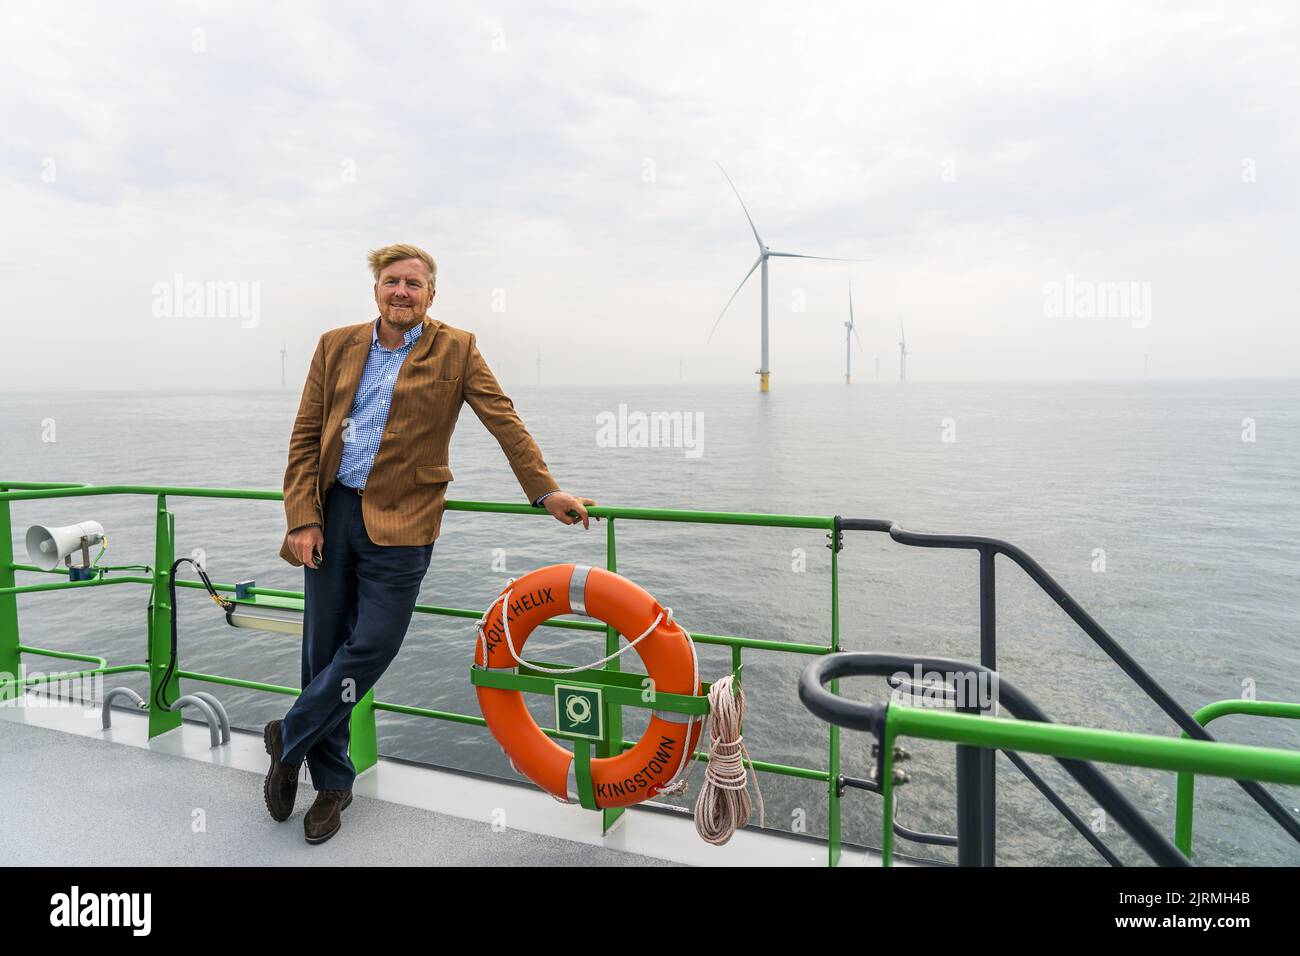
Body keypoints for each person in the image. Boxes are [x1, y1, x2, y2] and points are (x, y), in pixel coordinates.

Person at [264, 242, 596, 844]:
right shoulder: (335, 343)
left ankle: (289, 735)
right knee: (323, 651)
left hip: (407, 520)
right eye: (392, 281)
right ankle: (333, 782)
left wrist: (545, 491)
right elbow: (306, 434)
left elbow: (504, 419)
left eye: (413, 284)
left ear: (430, 294)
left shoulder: (458, 348)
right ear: (376, 290)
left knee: (373, 645)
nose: (401, 292)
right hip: (333, 514)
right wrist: (301, 517)